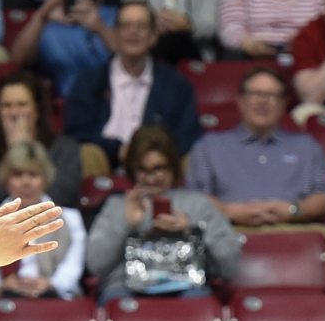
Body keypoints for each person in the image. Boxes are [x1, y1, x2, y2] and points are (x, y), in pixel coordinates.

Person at [85, 128, 242, 302]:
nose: (151, 178)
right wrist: (125, 224)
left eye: (158, 168)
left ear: (173, 167)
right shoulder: (117, 205)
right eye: (143, 170)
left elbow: (230, 267)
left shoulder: (199, 205)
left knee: (198, 305)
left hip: (188, 287)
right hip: (124, 288)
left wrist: (192, 232)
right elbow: (95, 266)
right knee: (119, 306)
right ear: (131, 170)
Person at [185, 66, 325, 226]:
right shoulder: (209, 146)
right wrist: (230, 212)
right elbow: (196, 196)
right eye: (255, 94)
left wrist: (293, 211)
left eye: (271, 95)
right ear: (240, 100)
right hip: (227, 233)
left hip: (294, 233)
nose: (263, 101)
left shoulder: (307, 146)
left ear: (284, 103)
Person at [61, 0, 203, 163]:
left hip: (159, 165)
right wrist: (117, 150)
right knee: (87, 154)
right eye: (125, 26)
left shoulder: (176, 85)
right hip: (105, 161)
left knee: (192, 160)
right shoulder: (89, 81)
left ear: (153, 37)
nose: (133, 32)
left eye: (141, 26)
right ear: (115, 34)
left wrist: (148, 153)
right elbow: (76, 135)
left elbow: (187, 137)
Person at [0, 143, 86, 300]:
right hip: (5, 299)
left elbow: (73, 266)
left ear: (45, 180)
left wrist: (52, 284)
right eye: (18, 175)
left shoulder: (70, 219)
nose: (26, 182)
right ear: (6, 180)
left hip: (54, 298)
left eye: (33, 175)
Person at [0, 71, 90, 218]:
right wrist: (13, 154)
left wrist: (24, 148)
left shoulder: (65, 148)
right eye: (7, 106)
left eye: (22, 104)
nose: (14, 113)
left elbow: (65, 198)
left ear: (37, 109)